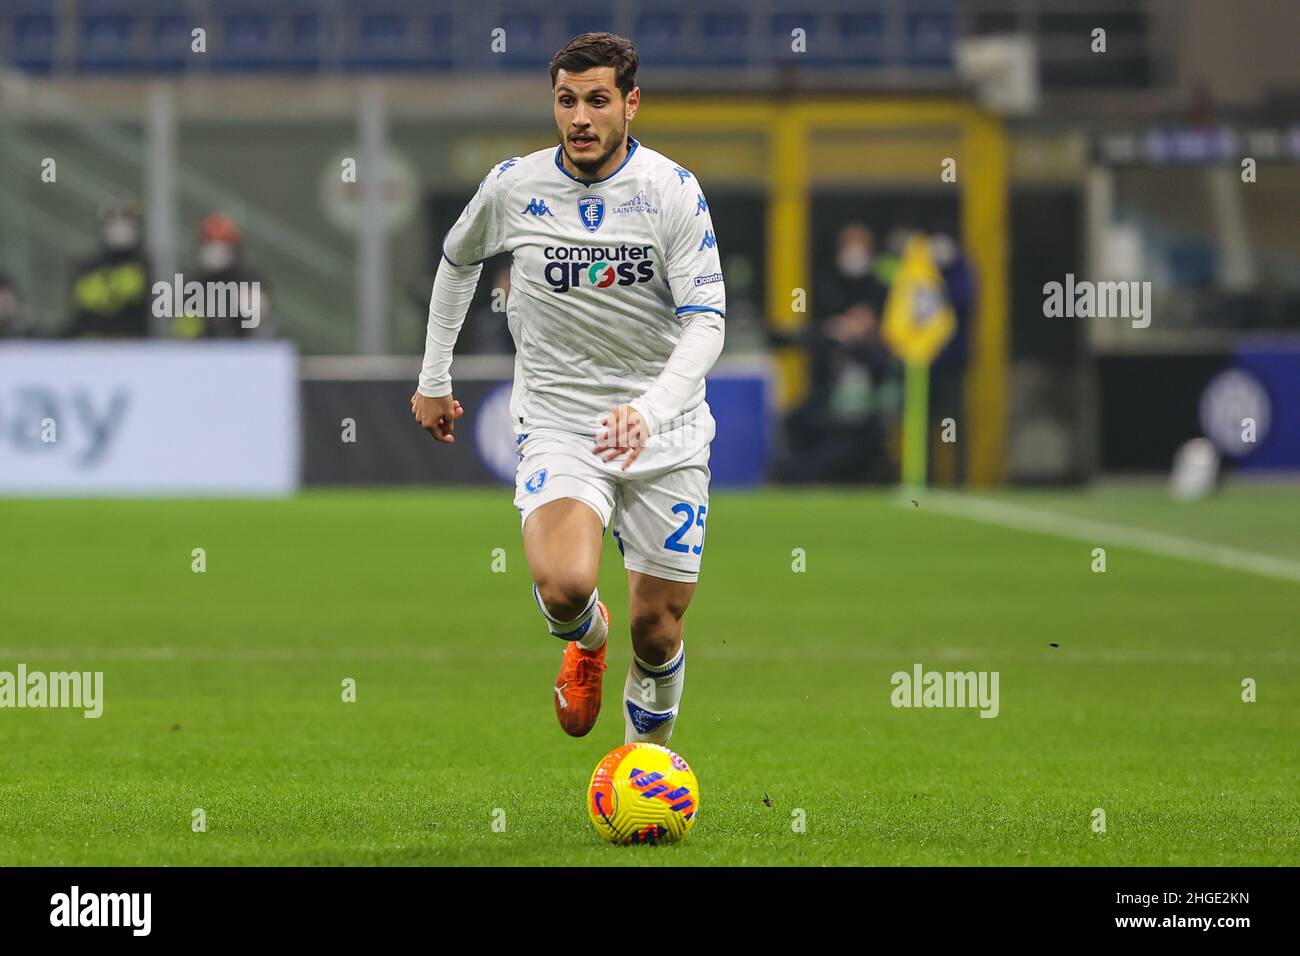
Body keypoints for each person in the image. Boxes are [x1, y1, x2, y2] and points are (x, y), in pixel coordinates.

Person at [410, 33, 725, 745]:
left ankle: (643, 765)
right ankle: (586, 640)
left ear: (630, 104)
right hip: (560, 421)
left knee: (659, 627)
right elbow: (457, 262)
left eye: (597, 101)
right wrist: (434, 377)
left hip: (664, 429)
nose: (579, 118)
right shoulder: (514, 186)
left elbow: (707, 323)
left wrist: (649, 411)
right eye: (565, 101)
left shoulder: (671, 192)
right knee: (565, 587)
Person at [171, 212, 270, 339]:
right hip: (205, 352)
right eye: (209, 243)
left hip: (244, 349)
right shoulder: (194, 285)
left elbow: (257, 320)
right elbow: (184, 330)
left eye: (222, 243)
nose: (215, 250)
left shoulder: (248, 280)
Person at [67, 200, 151, 338]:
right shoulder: (87, 268)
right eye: (113, 221)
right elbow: (80, 314)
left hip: (134, 348)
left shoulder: (144, 267)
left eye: (125, 221)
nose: (119, 227)